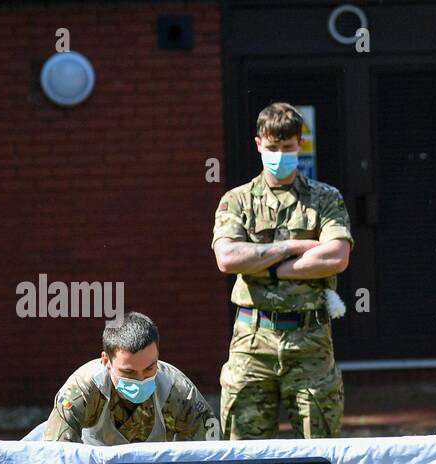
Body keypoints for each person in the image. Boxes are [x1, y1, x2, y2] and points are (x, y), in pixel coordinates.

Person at [212, 102, 353, 439]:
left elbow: (336, 256)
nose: (279, 155)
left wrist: (265, 268)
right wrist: (293, 247)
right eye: (272, 148)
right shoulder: (237, 200)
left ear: (300, 145)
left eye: (287, 148)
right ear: (258, 144)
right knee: (245, 455)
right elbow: (228, 259)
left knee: (320, 452)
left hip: (310, 339)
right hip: (252, 340)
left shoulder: (325, 199)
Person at [35, 311, 216, 445]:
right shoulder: (82, 389)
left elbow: (211, 451)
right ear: (106, 360)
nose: (140, 379)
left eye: (149, 368)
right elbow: (55, 455)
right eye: (128, 373)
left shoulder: (177, 390)